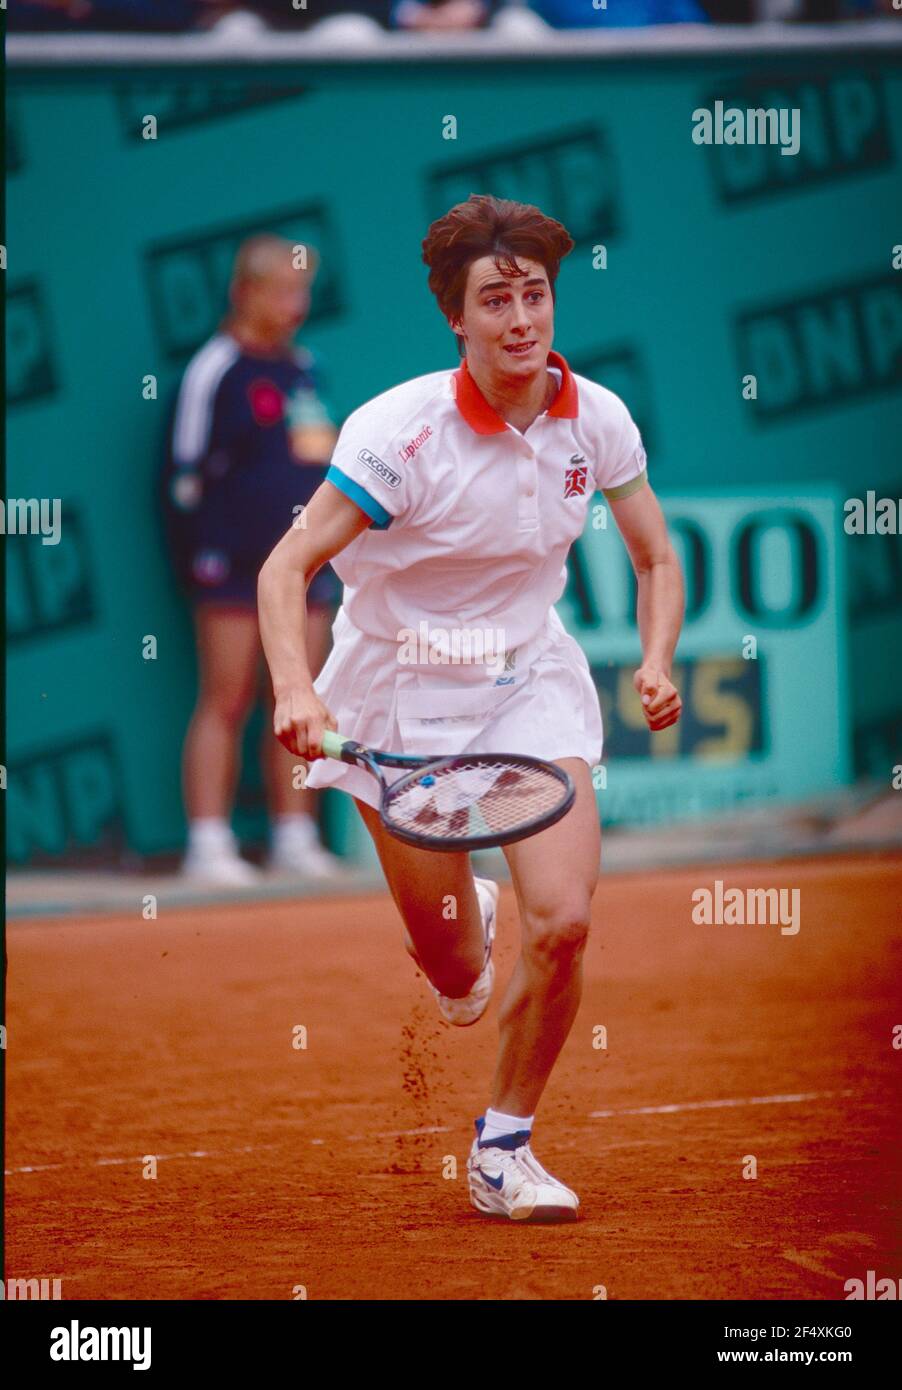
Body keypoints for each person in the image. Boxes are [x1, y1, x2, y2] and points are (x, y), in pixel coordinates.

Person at [258, 194, 684, 1221]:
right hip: (395, 698)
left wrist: (657, 655)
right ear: (458, 315)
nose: (520, 319)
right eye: (495, 299)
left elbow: (654, 554)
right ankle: (463, 924)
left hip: (526, 681)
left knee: (568, 920)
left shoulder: (600, 419)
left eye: (533, 294)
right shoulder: (398, 434)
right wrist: (295, 687)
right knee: (455, 976)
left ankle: (503, 1148)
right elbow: (286, 567)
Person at [161, 234, 342, 885]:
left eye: (303, 292)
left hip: (306, 572)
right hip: (230, 569)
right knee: (227, 697)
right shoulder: (215, 369)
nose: (297, 304)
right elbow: (182, 481)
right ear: (245, 293)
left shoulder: (306, 370)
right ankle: (208, 846)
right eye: (284, 291)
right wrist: (203, 563)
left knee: (297, 702)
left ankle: (294, 837)